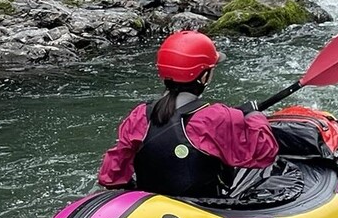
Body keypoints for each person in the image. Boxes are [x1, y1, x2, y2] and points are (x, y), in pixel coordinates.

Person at [98, 31, 279, 197]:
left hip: (152, 208)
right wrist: (254, 116)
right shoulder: (216, 117)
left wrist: (133, 190)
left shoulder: (140, 115)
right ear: (203, 77)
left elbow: (110, 177)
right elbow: (264, 153)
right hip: (204, 210)